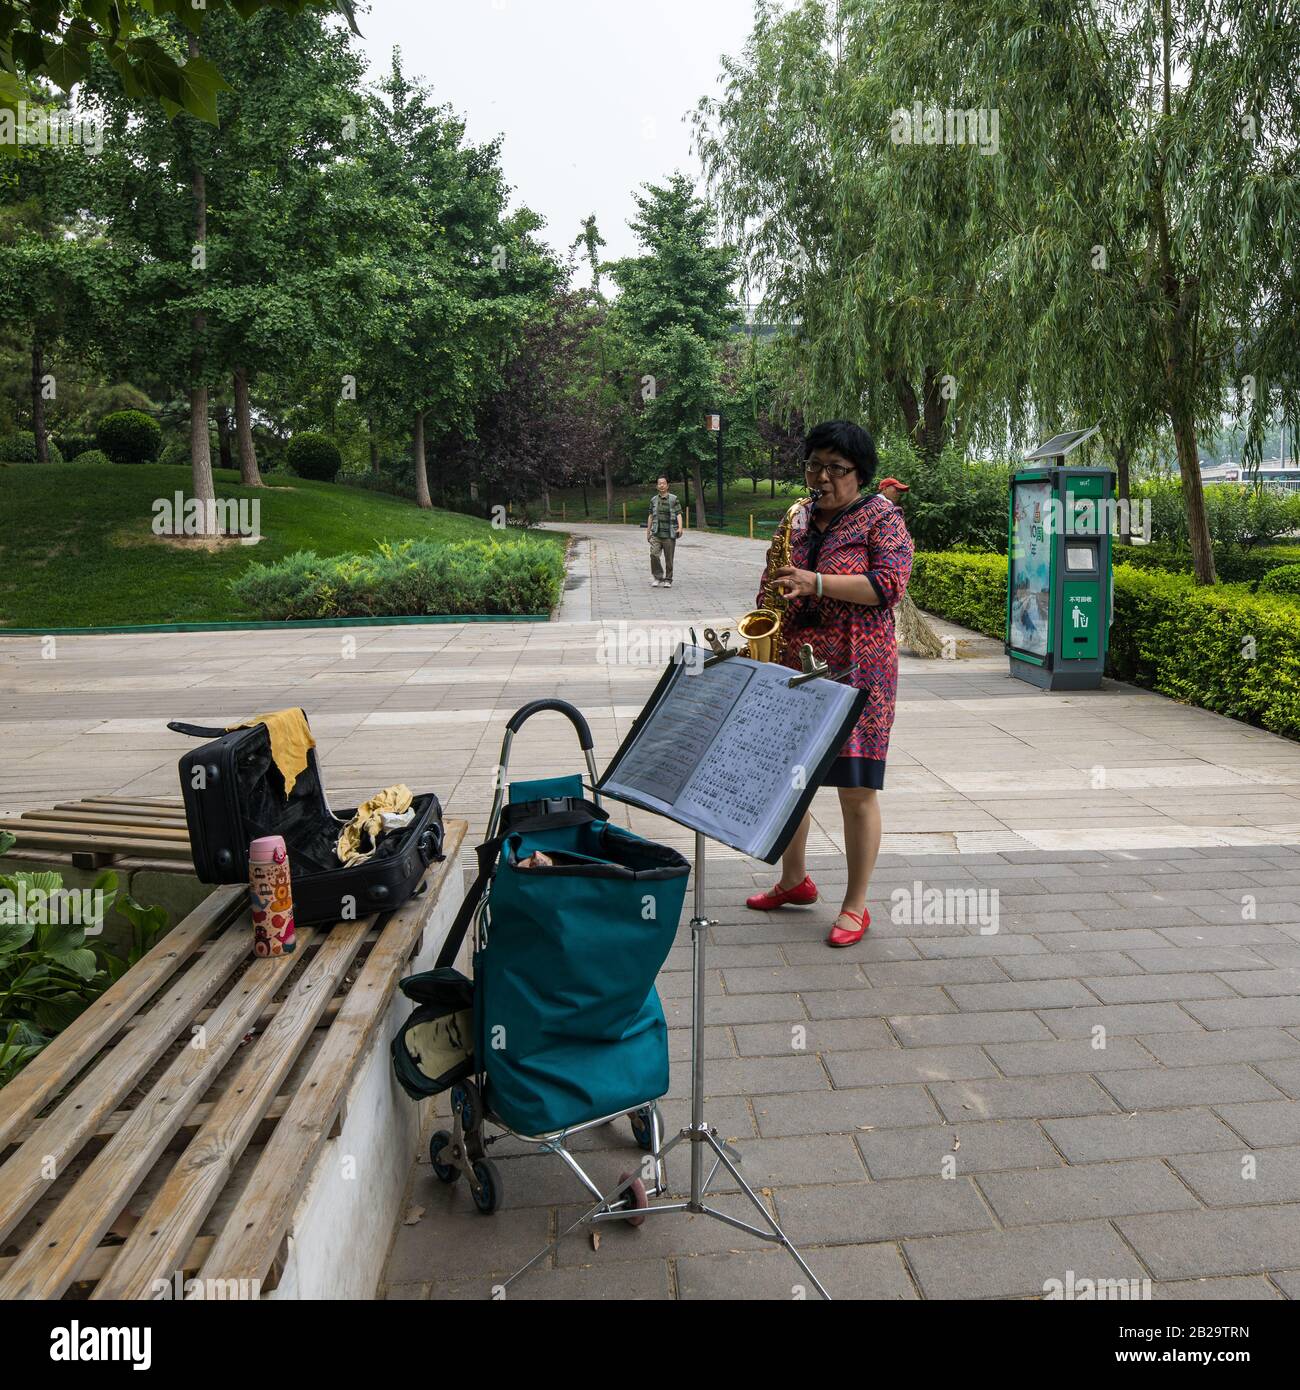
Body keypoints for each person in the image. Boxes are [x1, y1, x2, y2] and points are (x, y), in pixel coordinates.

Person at [744, 420, 914, 947]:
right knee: (790, 779)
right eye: (814, 465)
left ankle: (855, 905)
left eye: (835, 469)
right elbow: (774, 581)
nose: (821, 477)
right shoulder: (796, 518)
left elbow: (889, 586)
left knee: (855, 789)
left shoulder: (881, 517)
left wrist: (816, 582)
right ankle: (794, 882)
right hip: (794, 664)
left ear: (859, 474)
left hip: (858, 668)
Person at [645, 475, 682, 587]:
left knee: (669, 559)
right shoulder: (653, 500)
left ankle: (668, 579)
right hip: (656, 533)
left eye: (663, 483)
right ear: (657, 486)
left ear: (667, 485)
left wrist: (680, 528)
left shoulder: (673, 499)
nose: (661, 485)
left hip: (670, 534)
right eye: (659, 483)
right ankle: (658, 577)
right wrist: (648, 532)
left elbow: (679, 514)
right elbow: (651, 516)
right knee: (654, 555)